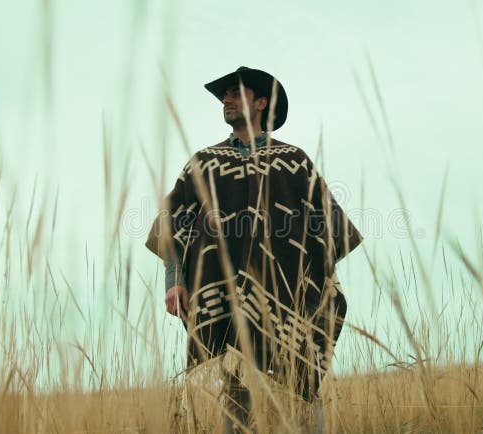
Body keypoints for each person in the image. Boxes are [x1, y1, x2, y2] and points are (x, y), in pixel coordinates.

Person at [145, 66, 363, 433]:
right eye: (224, 96)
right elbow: (171, 223)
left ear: (261, 102)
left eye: (235, 93)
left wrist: (311, 287)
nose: (226, 101)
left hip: (288, 302)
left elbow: (330, 231)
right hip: (227, 301)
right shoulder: (204, 163)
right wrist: (174, 280)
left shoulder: (294, 162)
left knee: (302, 396)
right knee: (236, 394)